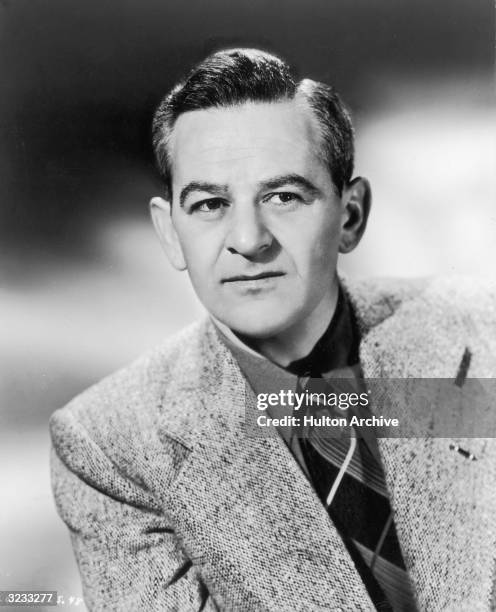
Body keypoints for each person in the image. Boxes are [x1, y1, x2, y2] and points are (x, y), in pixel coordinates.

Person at [50, 48, 496, 611]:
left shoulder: (480, 334)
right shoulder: (110, 446)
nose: (249, 240)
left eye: (283, 197)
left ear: (350, 215)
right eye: (210, 204)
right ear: (169, 233)